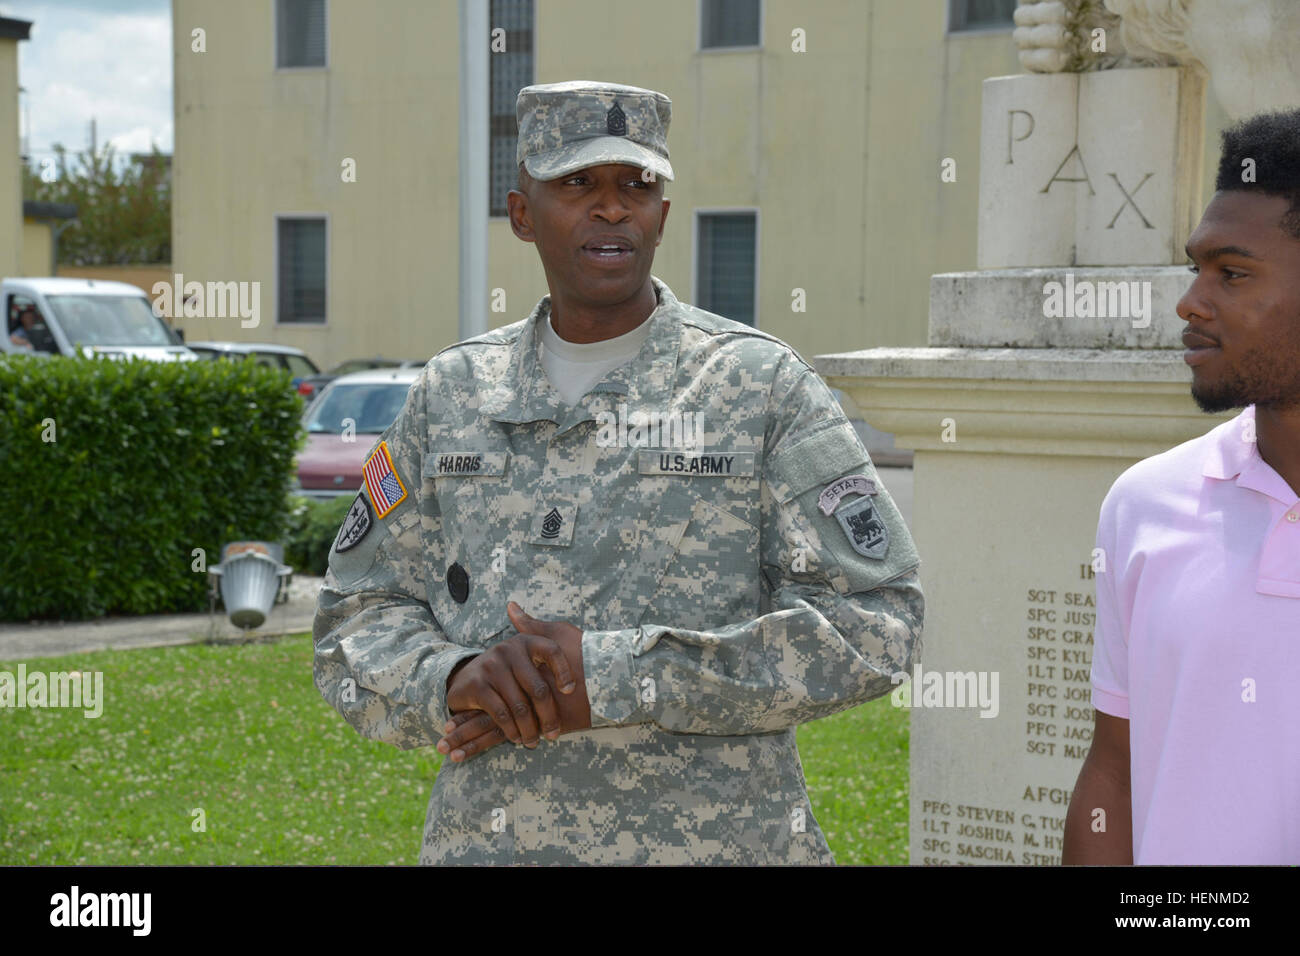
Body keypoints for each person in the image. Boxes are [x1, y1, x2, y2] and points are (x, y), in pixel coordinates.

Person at [314, 80, 924, 864]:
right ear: (522, 214)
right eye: (578, 184)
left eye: (636, 186)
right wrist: (453, 676)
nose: (612, 209)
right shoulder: (453, 394)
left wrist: (613, 675)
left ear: (662, 217)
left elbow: (879, 621)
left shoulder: (759, 388)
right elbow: (352, 618)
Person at [1063, 108, 1300, 865]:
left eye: (1231, 273)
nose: (1190, 302)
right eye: (1195, 268)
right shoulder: (1145, 502)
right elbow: (1112, 769)